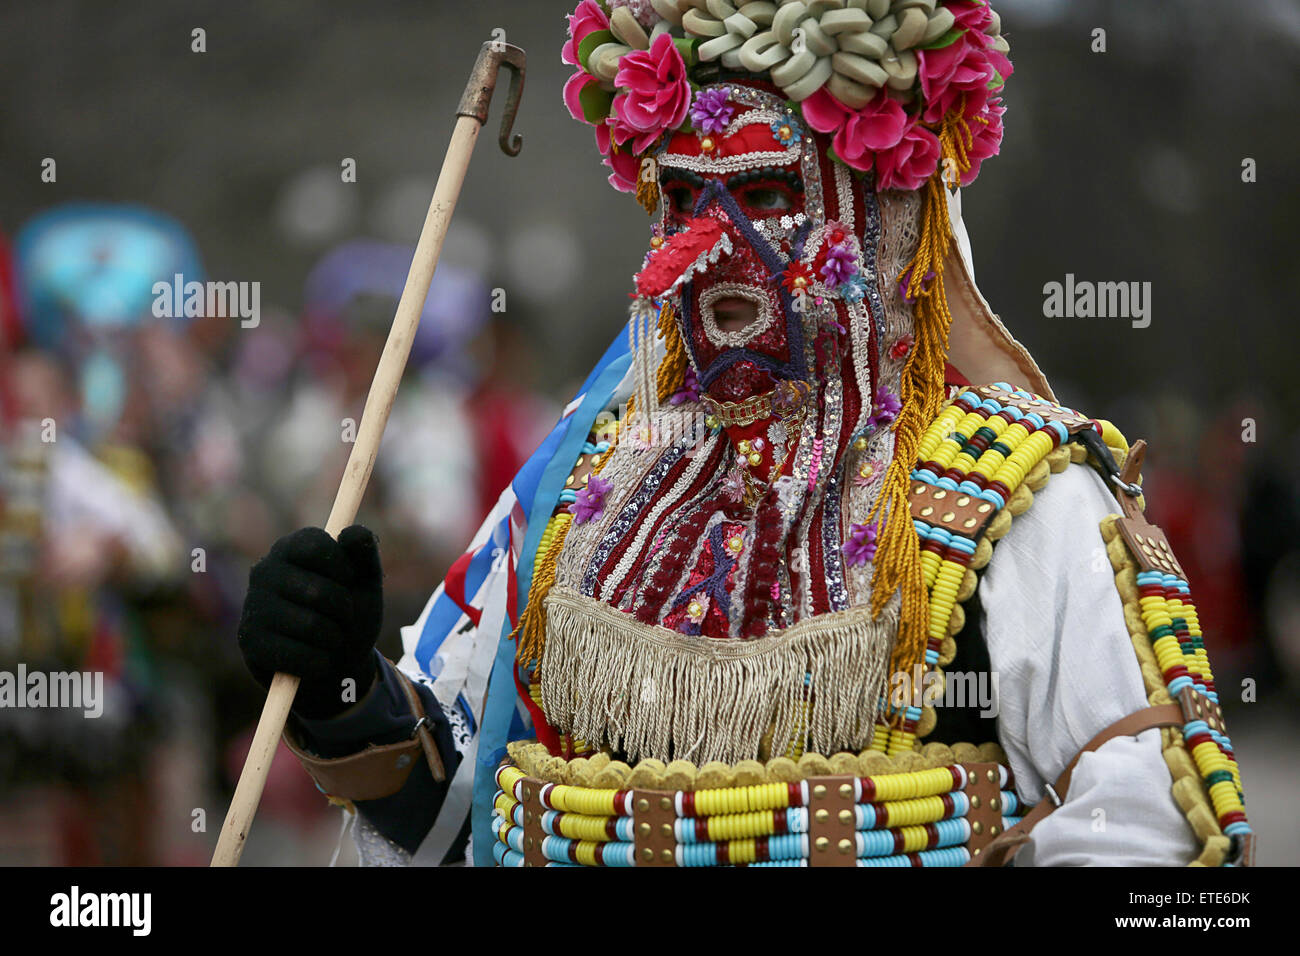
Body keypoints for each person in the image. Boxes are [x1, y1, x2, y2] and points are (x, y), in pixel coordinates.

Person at [236, 0, 1252, 867]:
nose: (718, 251)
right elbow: (461, 809)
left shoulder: (1018, 497)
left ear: (879, 214)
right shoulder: (588, 491)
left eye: (768, 195)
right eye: (684, 200)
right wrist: (342, 682)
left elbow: (1145, 842)